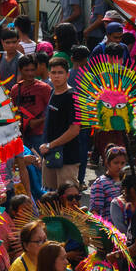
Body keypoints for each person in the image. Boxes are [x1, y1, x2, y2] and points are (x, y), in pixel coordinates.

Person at [38, 56, 80, 191]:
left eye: (60, 73)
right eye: (53, 73)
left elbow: (74, 130)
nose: (56, 76)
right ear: (49, 75)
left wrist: (50, 145)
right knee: (49, 199)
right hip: (50, 155)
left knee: (68, 200)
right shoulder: (52, 92)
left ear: (67, 74)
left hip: (67, 157)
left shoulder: (72, 96)